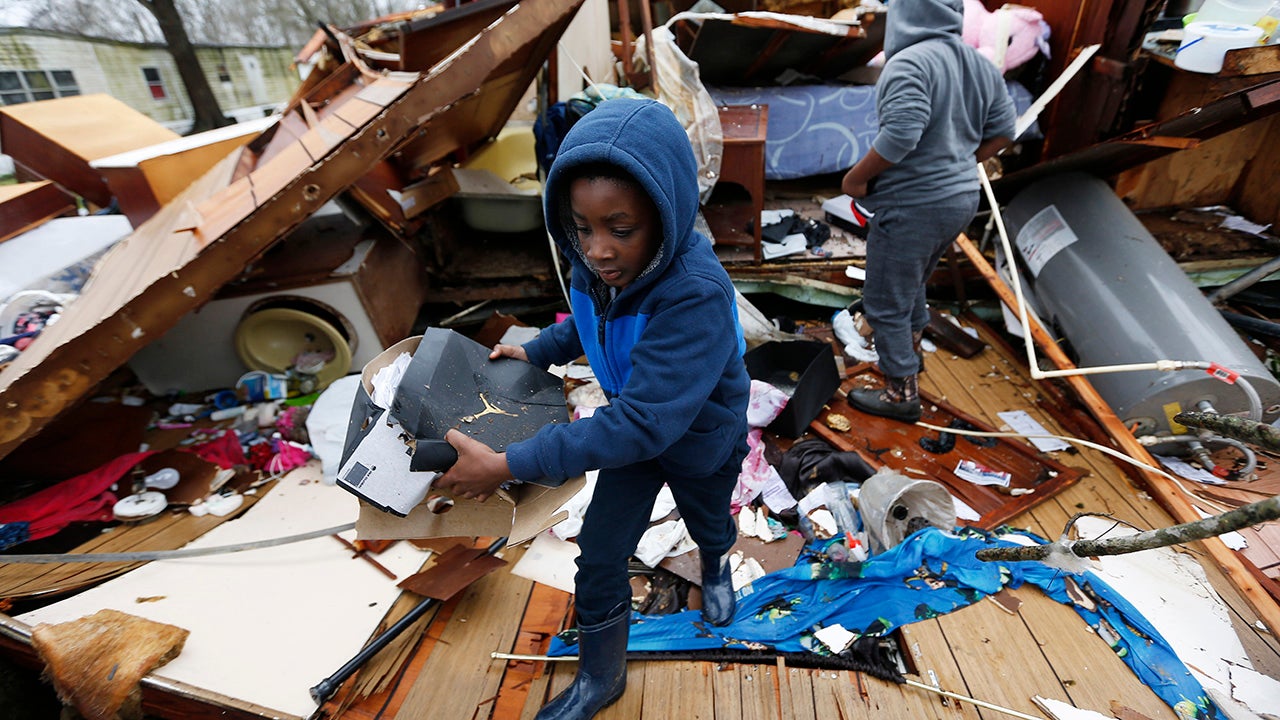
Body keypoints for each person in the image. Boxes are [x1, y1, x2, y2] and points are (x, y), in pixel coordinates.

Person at [433, 97, 750, 720]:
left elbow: (639, 424)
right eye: (582, 227)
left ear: (666, 214)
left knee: (707, 515)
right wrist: (537, 350)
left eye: (620, 228)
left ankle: (716, 563)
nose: (599, 248)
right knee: (601, 552)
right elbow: (586, 323)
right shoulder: (594, 268)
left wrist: (509, 463)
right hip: (638, 434)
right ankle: (600, 679)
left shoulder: (695, 294)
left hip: (698, 437)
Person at [841, 0, 1016, 423]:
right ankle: (911, 362)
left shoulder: (907, 64)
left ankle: (901, 394)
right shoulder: (976, 63)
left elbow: (902, 133)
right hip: (959, 200)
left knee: (884, 301)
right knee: (911, 283)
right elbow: (1005, 131)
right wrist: (956, 163)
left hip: (913, 205)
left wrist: (855, 179)